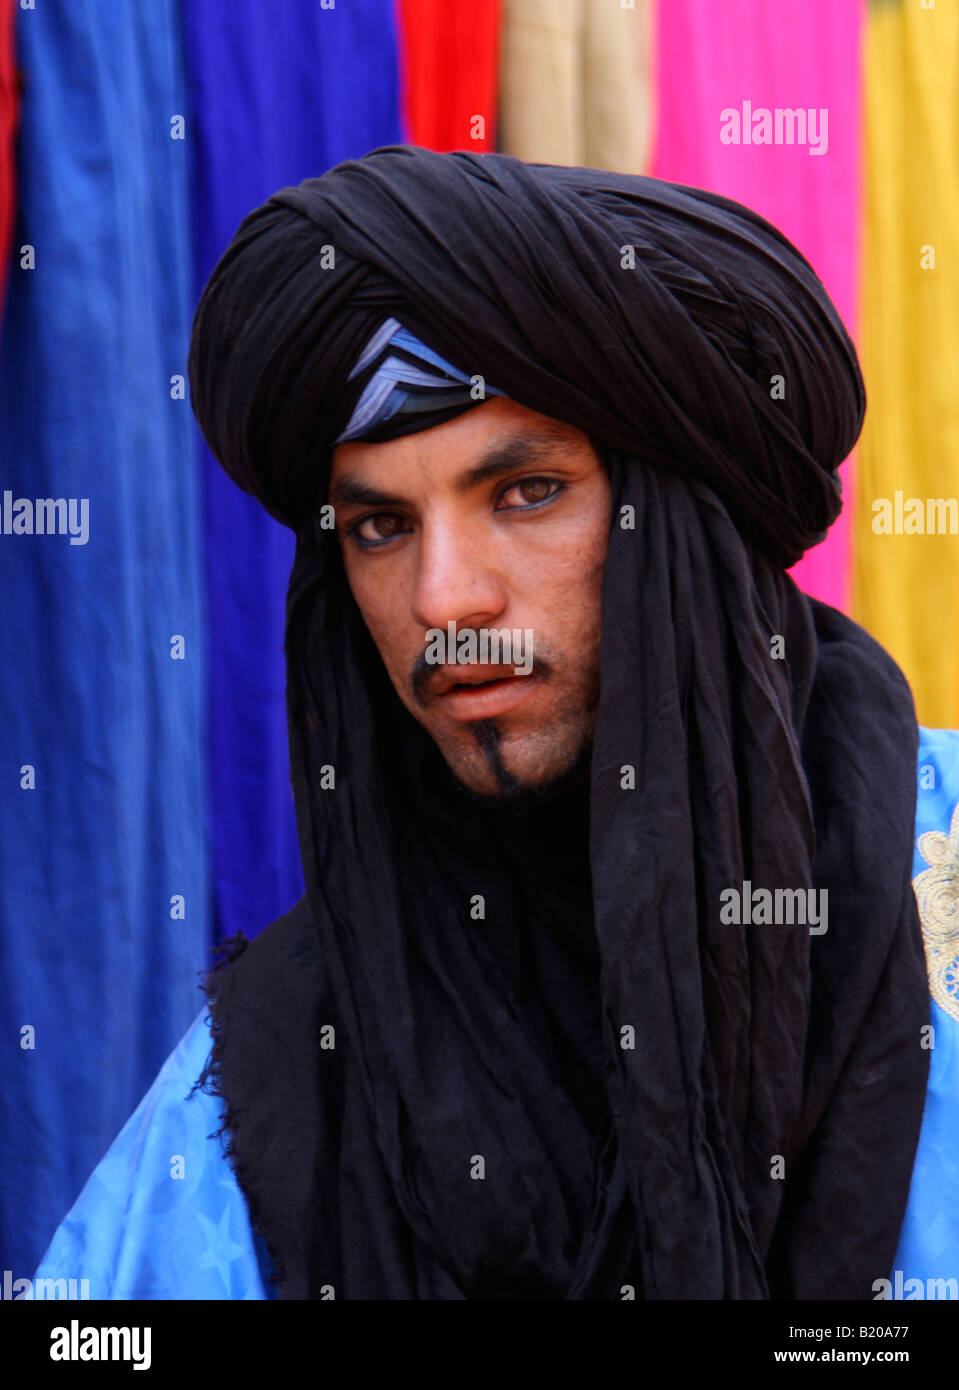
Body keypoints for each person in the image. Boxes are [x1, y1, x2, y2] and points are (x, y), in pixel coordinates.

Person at [33, 145, 951, 1301]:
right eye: (379, 526)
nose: (441, 599)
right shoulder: (280, 1064)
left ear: (681, 522)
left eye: (524, 495)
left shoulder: (940, 872)